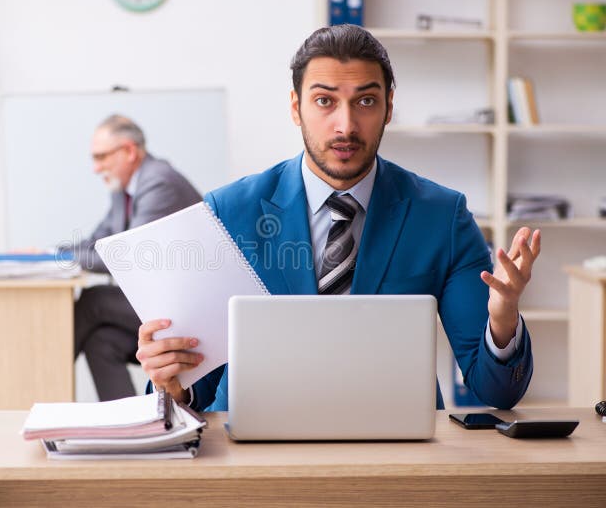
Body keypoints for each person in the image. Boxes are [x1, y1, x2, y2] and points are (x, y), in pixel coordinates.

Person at [135, 25, 540, 412]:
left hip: (398, 451)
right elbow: (196, 392)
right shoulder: (228, 213)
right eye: (325, 101)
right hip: (255, 452)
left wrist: (504, 315)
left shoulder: (442, 217)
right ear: (296, 108)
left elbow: (497, 391)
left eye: (365, 101)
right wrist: (171, 384)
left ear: (388, 107)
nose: (345, 126)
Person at [71, 114, 201, 401]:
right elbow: (97, 242)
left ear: (129, 151)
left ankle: (38, 380)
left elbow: (125, 258)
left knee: (94, 300)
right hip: (156, 306)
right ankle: (132, 425)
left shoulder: (159, 182)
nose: (96, 168)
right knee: (102, 341)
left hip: (188, 310)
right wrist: (48, 256)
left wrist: (64, 260)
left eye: (102, 157)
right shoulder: (124, 190)